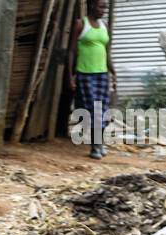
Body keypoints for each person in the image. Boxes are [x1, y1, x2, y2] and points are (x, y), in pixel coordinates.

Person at [68, 0, 117, 159]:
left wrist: (114, 73)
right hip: (85, 74)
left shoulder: (104, 26)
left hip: (102, 74)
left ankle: (99, 143)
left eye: (105, 7)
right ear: (92, 6)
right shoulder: (81, 24)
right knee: (94, 110)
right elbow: (71, 52)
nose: (103, 10)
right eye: (100, 6)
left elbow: (107, 53)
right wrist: (71, 76)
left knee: (103, 111)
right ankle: (95, 147)